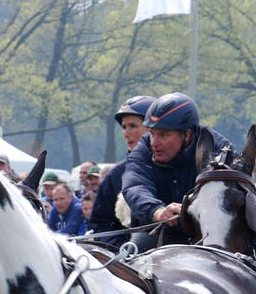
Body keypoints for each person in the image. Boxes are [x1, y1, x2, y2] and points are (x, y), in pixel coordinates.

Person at [122, 92, 232, 249]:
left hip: (208, 234)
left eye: (164, 135)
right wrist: (156, 211)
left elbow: (227, 194)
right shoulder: (144, 147)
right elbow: (134, 185)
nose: (154, 142)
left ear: (187, 135)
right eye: (152, 134)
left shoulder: (219, 149)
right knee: (131, 253)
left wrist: (190, 206)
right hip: (156, 232)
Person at [89, 94, 154, 244]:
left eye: (133, 126)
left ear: (153, 128)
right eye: (124, 127)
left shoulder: (178, 169)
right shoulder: (116, 175)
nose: (126, 133)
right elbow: (101, 224)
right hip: (131, 259)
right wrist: (124, 248)